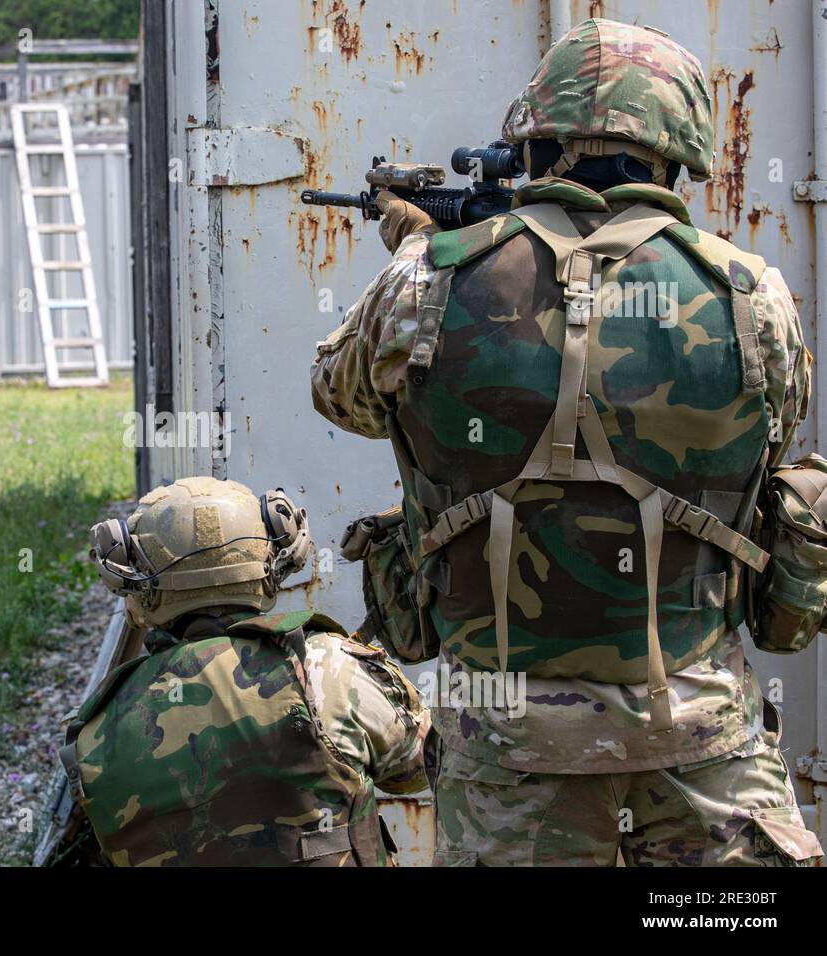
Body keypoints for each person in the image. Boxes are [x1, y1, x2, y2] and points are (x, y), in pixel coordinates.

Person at [310, 17, 823, 866]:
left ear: (536, 142)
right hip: (701, 737)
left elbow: (344, 397)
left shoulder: (426, 280)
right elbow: (770, 436)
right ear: (675, 153)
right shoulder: (750, 294)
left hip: (509, 746)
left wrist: (419, 256)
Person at [59, 476, 428, 866]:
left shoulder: (96, 731)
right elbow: (418, 770)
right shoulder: (326, 667)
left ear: (138, 582)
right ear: (272, 559)